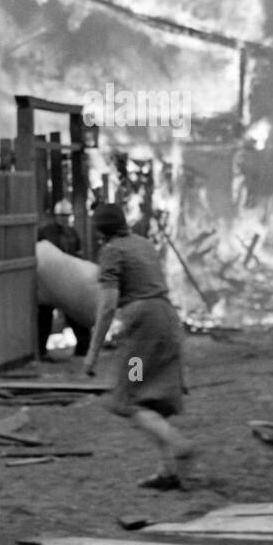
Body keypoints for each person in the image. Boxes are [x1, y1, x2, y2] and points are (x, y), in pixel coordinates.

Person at [82, 203, 194, 490]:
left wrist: (92, 354)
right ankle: (168, 472)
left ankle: (178, 444)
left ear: (100, 230)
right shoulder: (143, 244)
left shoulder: (111, 252)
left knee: (129, 399)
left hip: (144, 326)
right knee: (156, 399)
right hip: (168, 319)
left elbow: (107, 307)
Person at [36, 200, 92, 358]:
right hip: (48, 280)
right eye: (61, 215)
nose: (64, 218)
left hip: (68, 279)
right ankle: (40, 350)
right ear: (55, 216)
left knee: (75, 313)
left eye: (67, 215)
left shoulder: (72, 233)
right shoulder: (45, 232)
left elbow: (77, 256)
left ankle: (84, 347)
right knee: (44, 316)